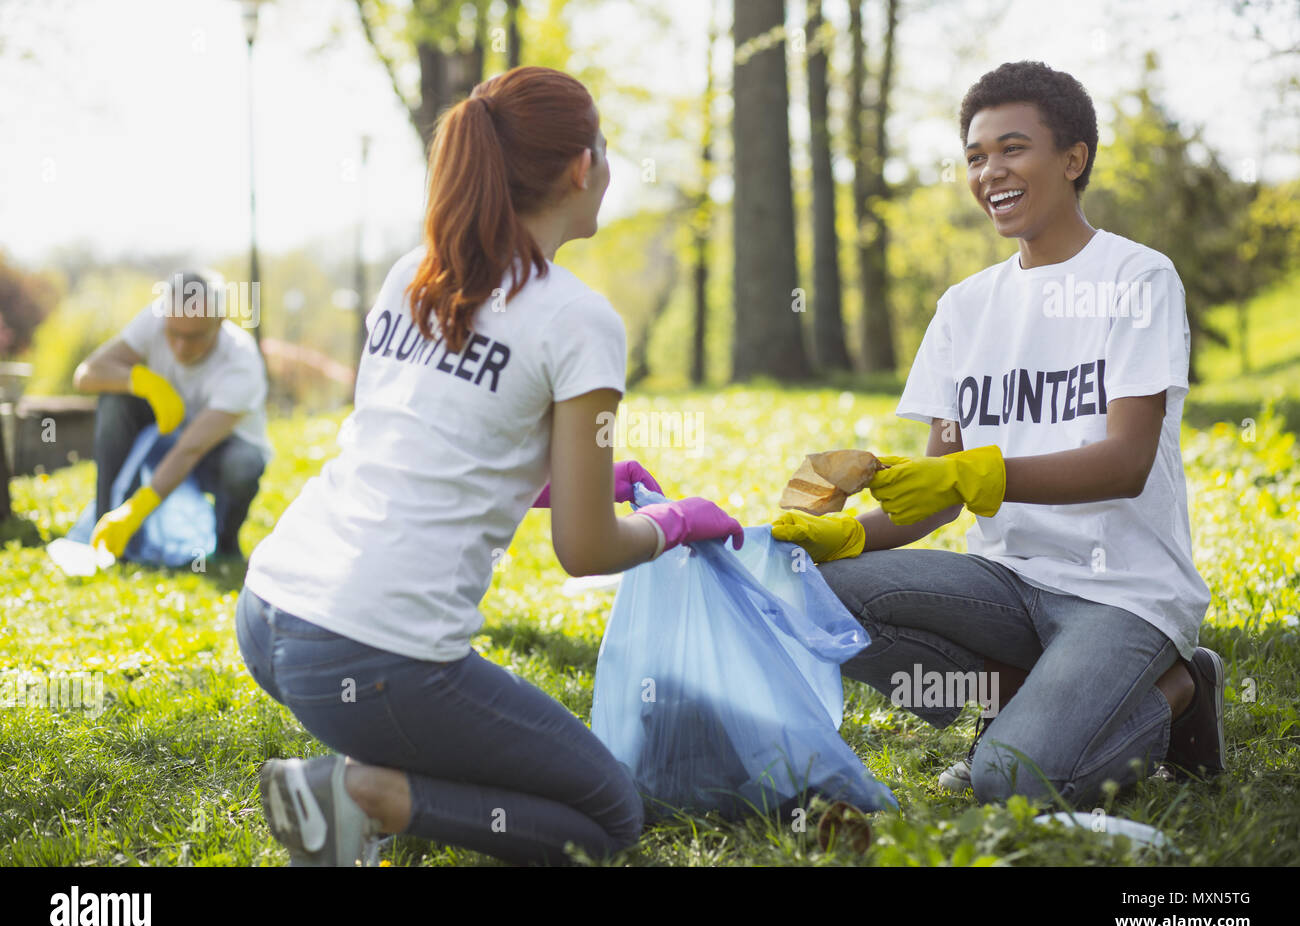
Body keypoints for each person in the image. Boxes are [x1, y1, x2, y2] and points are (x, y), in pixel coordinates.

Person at [236, 66, 744, 867]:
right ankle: (364, 794)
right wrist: (676, 522)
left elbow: (415, 440)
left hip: (269, 614)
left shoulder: (416, 269)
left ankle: (367, 783)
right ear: (583, 167)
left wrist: (555, 484)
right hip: (373, 658)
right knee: (610, 816)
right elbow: (588, 552)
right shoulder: (581, 320)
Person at [773, 61, 1222, 808]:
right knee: (804, 592)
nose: (990, 172)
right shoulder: (964, 309)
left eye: (1012, 149)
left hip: (1121, 594)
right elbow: (941, 495)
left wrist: (975, 476)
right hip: (1008, 583)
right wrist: (844, 539)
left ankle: (1178, 686)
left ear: (1072, 158)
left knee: (1012, 782)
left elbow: (1125, 462)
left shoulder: (1138, 279)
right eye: (976, 156)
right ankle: (1020, 699)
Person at [73, 270, 270, 560]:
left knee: (243, 465)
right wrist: (142, 381)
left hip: (213, 455)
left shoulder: (241, 360)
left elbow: (191, 448)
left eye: (194, 337)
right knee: (116, 402)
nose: (180, 347)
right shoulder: (156, 318)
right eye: (173, 333)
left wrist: (138, 508)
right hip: (163, 441)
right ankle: (108, 530)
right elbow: (86, 375)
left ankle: (225, 544)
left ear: (219, 322)